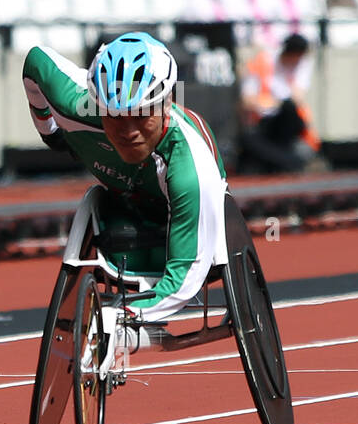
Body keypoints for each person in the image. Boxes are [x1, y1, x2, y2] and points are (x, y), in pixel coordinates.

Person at [22, 32, 228, 350]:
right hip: (126, 203)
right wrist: (48, 131)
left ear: (166, 102)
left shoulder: (190, 169)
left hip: (185, 213)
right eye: (115, 117)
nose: (128, 131)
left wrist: (123, 314)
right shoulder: (72, 104)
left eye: (142, 115)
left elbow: (185, 278)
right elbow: (35, 61)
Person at [238, 33, 323, 174]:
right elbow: (247, 100)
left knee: (289, 109)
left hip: (288, 122)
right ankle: (293, 163)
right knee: (248, 140)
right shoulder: (263, 62)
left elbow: (296, 99)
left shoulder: (303, 64)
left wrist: (273, 102)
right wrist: (274, 103)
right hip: (264, 122)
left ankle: (286, 162)